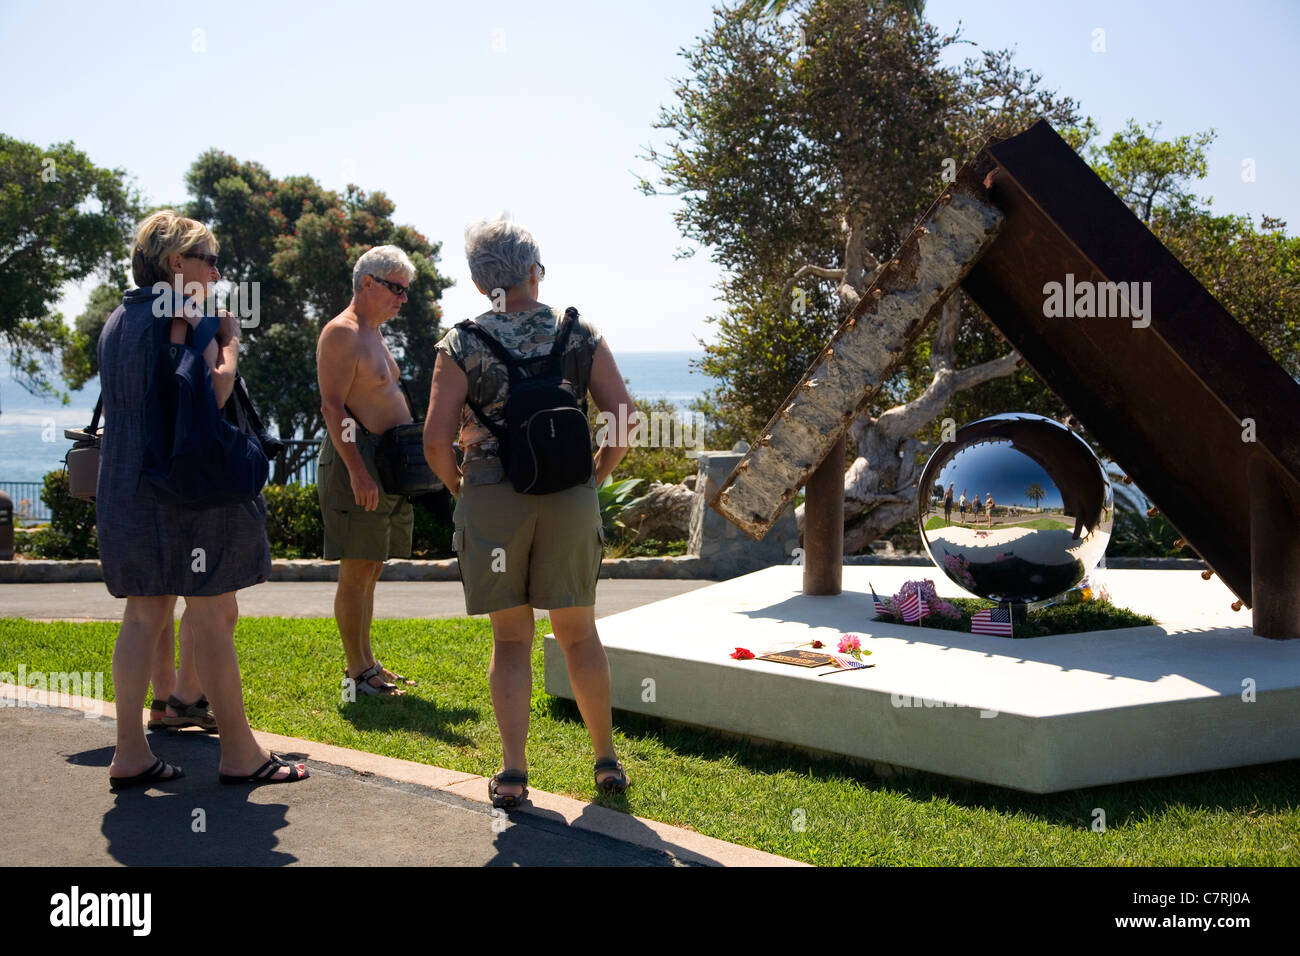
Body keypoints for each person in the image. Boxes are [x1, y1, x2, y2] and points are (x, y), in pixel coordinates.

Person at [423, 215, 636, 809]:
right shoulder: (578, 331)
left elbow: (436, 442)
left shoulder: (461, 342)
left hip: (493, 497)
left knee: (512, 640)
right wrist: (594, 477)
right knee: (579, 634)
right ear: (537, 270)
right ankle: (605, 762)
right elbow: (623, 417)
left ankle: (514, 773)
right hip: (569, 494)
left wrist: (463, 486)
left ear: (477, 281)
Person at [99, 210, 307, 787]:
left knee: (143, 615)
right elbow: (210, 393)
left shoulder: (119, 319)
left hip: (128, 490)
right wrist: (231, 341)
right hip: (190, 492)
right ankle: (241, 754)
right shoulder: (191, 314)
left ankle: (130, 753)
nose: (218, 273)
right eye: (209, 261)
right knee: (213, 614)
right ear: (175, 264)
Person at [316, 246, 421, 696]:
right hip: (356, 460)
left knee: (371, 568)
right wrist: (357, 471)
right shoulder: (342, 332)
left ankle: (367, 663)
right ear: (367, 283)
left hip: (386, 461)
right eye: (396, 288)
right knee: (355, 570)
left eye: (405, 290)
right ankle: (356, 672)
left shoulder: (373, 332)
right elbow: (332, 405)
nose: (403, 298)